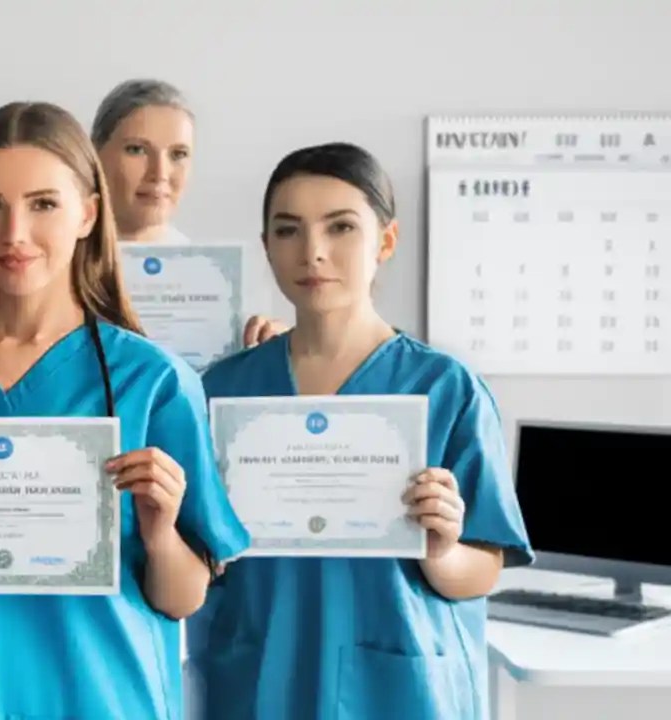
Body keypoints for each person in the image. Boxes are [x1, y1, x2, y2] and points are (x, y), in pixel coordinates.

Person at [0, 101, 251, 718]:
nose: (13, 234)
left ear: (88, 211)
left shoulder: (153, 381)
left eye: (43, 204)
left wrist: (161, 531)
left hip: (106, 699)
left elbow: (183, 597)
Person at [184, 142, 534, 720]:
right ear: (266, 247)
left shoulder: (446, 388)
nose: (313, 252)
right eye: (288, 230)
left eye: (341, 227)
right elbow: (195, 561)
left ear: (386, 242)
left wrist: (442, 550)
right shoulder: (220, 391)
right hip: (257, 673)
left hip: (398, 683)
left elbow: (483, 570)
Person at [91, 78, 286, 349]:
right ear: (94, 154)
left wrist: (273, 348)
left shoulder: (221, 285)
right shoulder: (52, 266)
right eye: (136, 150)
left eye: (178, 154)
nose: (160, 173)